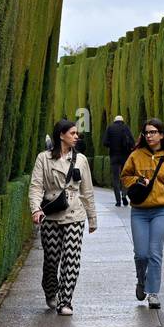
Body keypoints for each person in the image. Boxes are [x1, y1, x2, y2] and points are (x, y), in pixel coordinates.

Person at [29, 119, 97, 316]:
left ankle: (65, 301)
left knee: (72, 258)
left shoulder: (81, 160)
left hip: (75, 214)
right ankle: (51, 290)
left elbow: (87, 192)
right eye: (73, 133)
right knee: (51, 260)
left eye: (77, 133)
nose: (76, 137)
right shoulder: (44, 158)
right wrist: (36, 209)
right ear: (61, 135)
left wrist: (92, 219)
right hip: (50, 214)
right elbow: (35, 187)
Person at [119, 118, 164, 310]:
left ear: (161, 135)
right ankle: (141, 280)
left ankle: (153, 293)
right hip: (139, 212)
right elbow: (125, 176)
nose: (149, 135)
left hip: (161, 211)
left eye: (153, 132)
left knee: (155, 253)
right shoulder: (136, 156)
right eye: (147, 132)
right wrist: (138, 180)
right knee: (141, 254)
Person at [102, 115, 136, 207]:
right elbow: (133, 142)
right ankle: (124, 195)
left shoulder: (110, 128)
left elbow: (105, 142)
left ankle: (118, 201)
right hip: (125, 157)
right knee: (125, 176)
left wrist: (112, 145)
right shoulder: (126, 128)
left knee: (116, 179)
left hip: (114, 156)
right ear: (122, 121)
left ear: (114, 121)